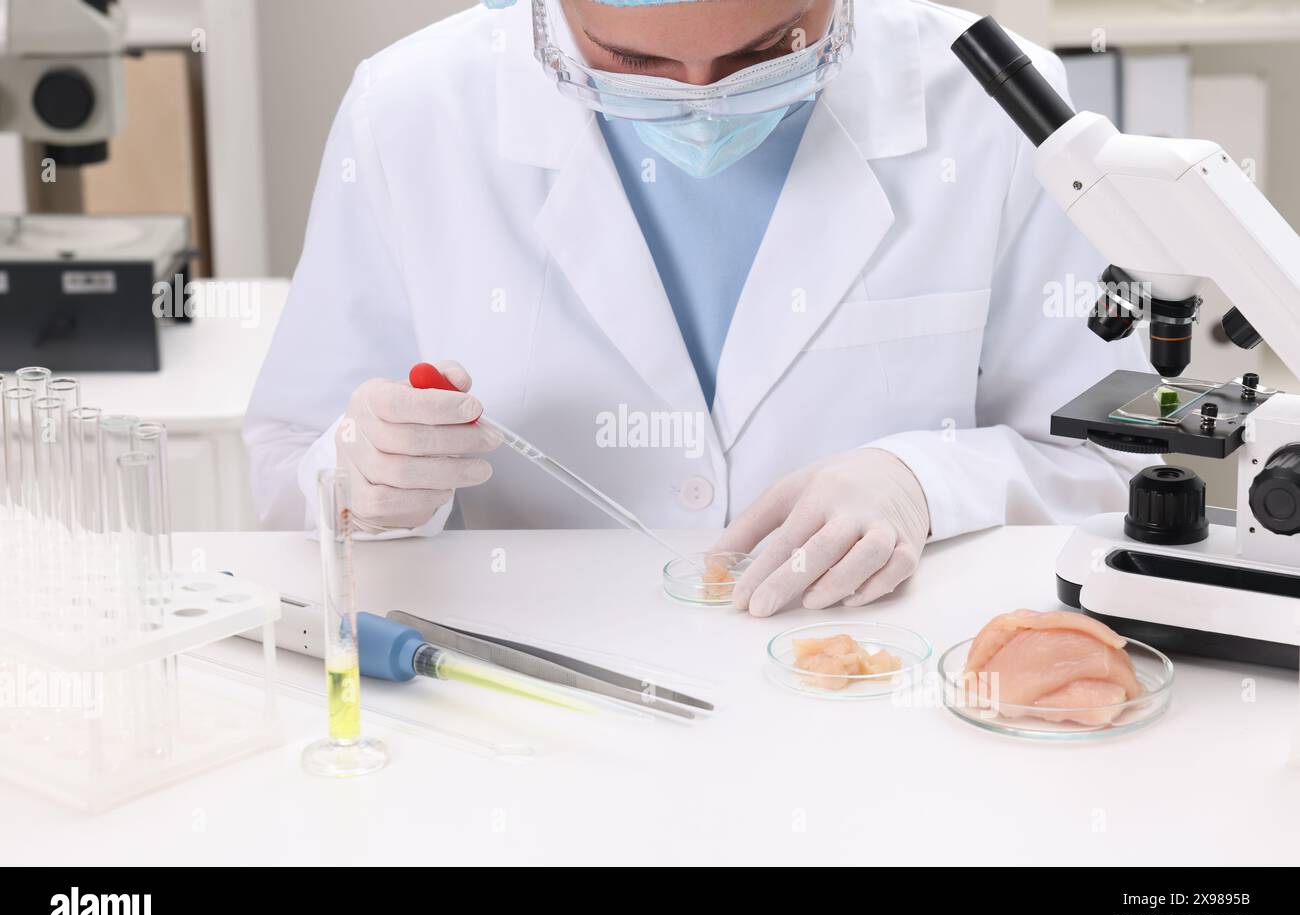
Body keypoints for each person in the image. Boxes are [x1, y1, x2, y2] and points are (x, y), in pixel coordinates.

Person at [244, 0, 1145, 618]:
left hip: (882, 688)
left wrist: (926, 481)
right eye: (631, 60)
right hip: (539, 698)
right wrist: (361, 477)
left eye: (765, 49)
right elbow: (288, 464)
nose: (702, 98)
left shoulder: (995, 102)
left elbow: (1116, 469)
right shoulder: (411, 111)